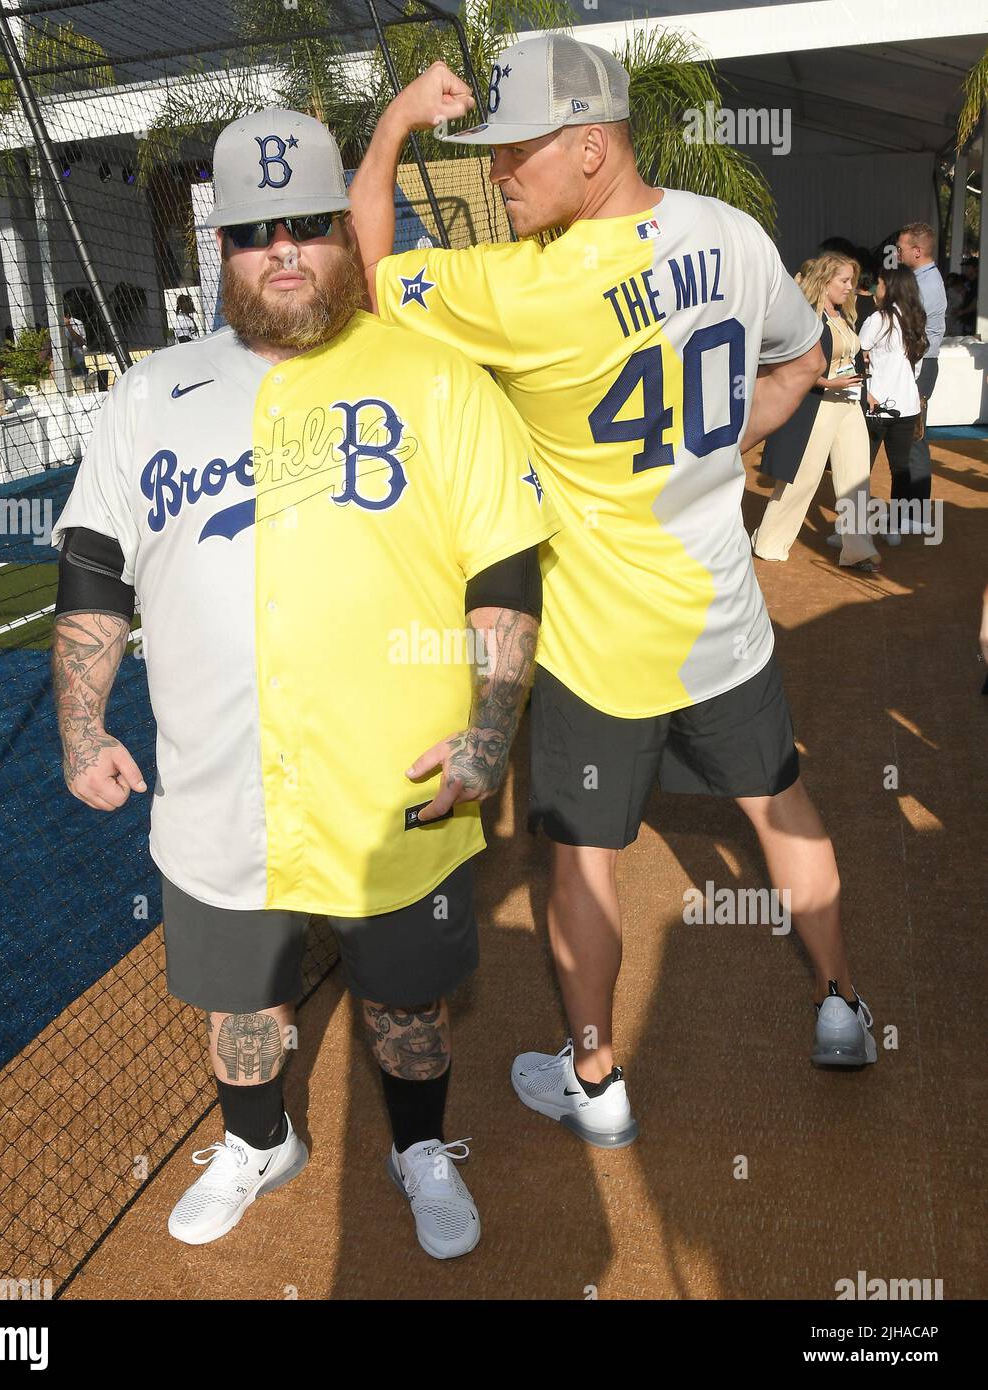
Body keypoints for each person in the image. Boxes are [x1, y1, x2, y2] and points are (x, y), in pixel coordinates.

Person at [350, 36, 877, 1154]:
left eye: (516, 153)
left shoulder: (526, 289)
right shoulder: (730, 235)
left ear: (591, 148)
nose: (497, 176)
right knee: (779, 804)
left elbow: (359, 262)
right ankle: (839, 1003)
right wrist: (740, 433)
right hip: (724, 619)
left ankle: (596, 1079)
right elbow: (801, 356)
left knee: (578, 862)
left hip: (597, 648)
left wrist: (396, 124)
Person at [50, 109, 559, 1258]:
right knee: (242, 1010)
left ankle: (418, 1144)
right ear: (219, 248)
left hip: (398, 791)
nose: (283, 252)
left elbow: (504, 573)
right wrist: (81, 726)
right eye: (252, 232)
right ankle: (259, 1138)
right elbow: (92, 571)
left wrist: (488, 734)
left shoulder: (437, 380)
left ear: (346, 230)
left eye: (309, 226)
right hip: (222, 788)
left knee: (405, 1005)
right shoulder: (149, 394)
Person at [752, 253, 881, 572]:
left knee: (856, 479)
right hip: (819, 405)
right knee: (804, 479)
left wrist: (866, 391)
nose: (851, 288)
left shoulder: (844, 316)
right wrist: (827, 382)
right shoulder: (806, 318)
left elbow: (851, 360)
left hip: (850, 406)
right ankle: (768, 541)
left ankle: (857, 550)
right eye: (844, 281)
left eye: (851, 281)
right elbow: (789, 365)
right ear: (824, 281)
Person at [859, 264, 927, 545]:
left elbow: (856, 355)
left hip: (877, 406)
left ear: (892, 287)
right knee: (901, 469)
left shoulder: (878, 319)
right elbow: (918, 369)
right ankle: (894, 529)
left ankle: (850, 531)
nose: (876, 289)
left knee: (859, 469)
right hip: (907, 406)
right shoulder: (916, 320)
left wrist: (868, 388)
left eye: (880, 283)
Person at [896, 223, 945, 505]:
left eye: (901, 248)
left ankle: (916, 511)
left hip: (921, 365)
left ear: (917, 250)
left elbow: (909, 328)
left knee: (914, 437)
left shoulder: (927, 285)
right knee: (909, 438)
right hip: (918, 364)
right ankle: (911, 507)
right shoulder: (922, 281)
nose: (898, 253)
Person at [63, 310, 89, 389]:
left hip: (77, 361)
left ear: (67, 315)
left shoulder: (77, 323)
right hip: (63, 363)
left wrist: (69, 327)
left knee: (80, 386)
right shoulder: (56, 325)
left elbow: (81, 342)